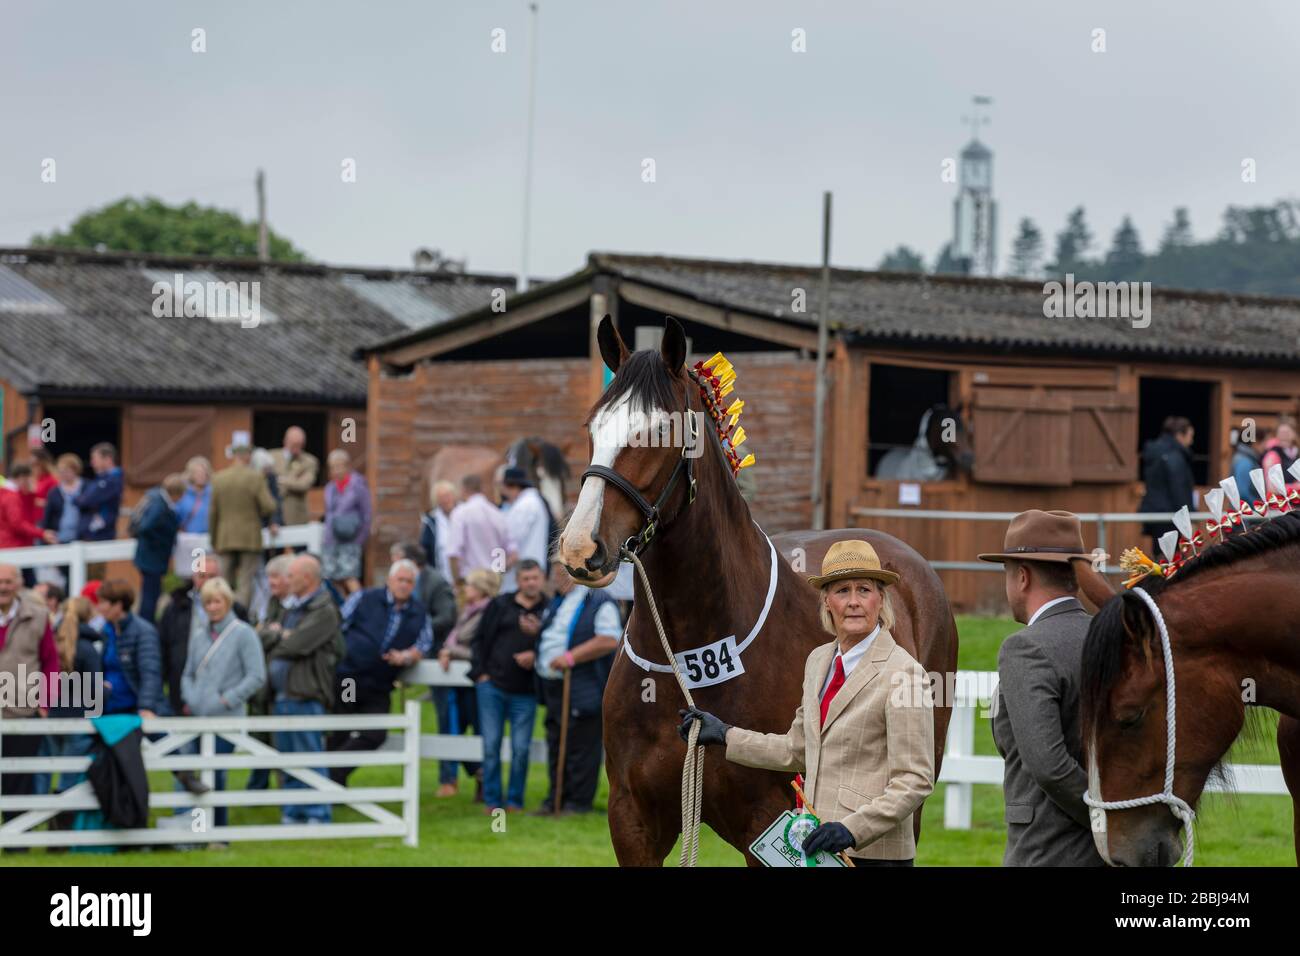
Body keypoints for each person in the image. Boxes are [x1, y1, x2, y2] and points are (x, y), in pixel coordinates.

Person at [680, 540, 935, 866]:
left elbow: (915, 779)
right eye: (842, 591)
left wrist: (852, 829)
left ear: (881, 599)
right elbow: (796, 749)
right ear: (827, 601)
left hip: (873, 855)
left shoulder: (905, 672)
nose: (854, 602)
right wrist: (725, 734)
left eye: (864, 590)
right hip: (818, 850)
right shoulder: (818, 662)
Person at [977, 509, 1105, 867]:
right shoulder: (1109, 637)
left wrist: (1105, 819)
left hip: (1047, 851)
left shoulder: (1026, 648)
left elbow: (1048, 765)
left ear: (1021, 577)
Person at [328, 559, 431, 785]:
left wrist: (406, 656)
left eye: (409, 581)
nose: (403, 585)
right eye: (400, 580)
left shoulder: (418, 612)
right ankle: (332, 786)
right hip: (350, 678)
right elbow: (338, 624)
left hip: (380, 683)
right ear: (390, 580)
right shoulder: (365, 598)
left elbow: (424, 644)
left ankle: (333, 773)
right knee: (341, 727)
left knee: (375, 733)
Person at [178, 576, 267, 830]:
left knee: (216, 774)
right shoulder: (198, 636)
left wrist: (227, 699)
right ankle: (192, 828)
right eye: (207, 602)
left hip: (226, 717)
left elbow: (256, 675)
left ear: (226, 602)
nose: (212, 607)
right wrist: (191, 697)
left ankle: (218, 831)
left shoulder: (243, 634)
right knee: (190, 772)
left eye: (217, 601)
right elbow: (187, 672)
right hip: (198, 715)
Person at [532, 562, 620, 815]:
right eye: (555, 574)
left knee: (581, 746)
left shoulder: (600, 601)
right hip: (554, 686)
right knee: (556, 741)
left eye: (564, 573)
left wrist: (570, 657)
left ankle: (577, 803)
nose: (559, 578)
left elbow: (609, 639)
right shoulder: (557, 602)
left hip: (584, 685)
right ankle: (555, 798)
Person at [266, 554, 345, 824]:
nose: (287, 580)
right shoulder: (293, 609)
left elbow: (297, 644)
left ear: (307, 578)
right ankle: (293, 812)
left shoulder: (324, 610)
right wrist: (278, 634)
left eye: (291, 576)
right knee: (288, 760)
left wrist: (278, 636)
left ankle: (317, 813)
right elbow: (265, 636)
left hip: (307, 693)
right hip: (283, 694)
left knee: (310, 756)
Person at [469, 558, 547, 813]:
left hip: (525, 692)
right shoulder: (500, 605)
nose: (531, 583)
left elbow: (555, 643)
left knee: (521, 749)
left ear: (542, 579)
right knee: (490, 745)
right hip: (492, 687)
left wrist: (536, 649)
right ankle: (492, 801)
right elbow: (479, 639)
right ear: (518, 581)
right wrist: (481, 674)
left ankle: (514, 801)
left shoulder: (549, 609)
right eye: (526, 579)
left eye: (535, 578)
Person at [0, 562, 59, 824]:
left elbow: (50, 661)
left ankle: (16, 838)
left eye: (8, 581)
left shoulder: (37, 615)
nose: (3, 587)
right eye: (0, 581)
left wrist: (46, 700)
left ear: (19, 584)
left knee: (18, 776)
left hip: (22, 709)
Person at [157, 554, 248, 718]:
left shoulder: (236, 610)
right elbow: (163, 650)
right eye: (202, 576)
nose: (206, 581)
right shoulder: (175, 607)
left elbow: (252, 669)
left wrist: (230, 698)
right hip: (183, 694)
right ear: (193, 577)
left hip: (224, 699)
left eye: (211, 576)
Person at [435, 568, 498, 799]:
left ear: (481, 589)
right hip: (460, 683)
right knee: (456, 730)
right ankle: (479, 774)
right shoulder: (468, 611)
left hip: (476, 682)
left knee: (479, 731)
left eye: (470, 585)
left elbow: (477, 649)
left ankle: (484, 780)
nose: (465, 590)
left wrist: (449, 652)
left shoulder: (487, 612)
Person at [48, 596, 102, 805]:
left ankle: (41, 817)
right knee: (71, 778)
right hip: (78, 719)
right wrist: (106, 691)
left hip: (53, 716)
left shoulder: (54, 644)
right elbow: (93, 692)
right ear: (88, 615)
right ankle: (64, 823)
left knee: (48, 770)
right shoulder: (88, 649)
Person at [209, 442, 278, 607]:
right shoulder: (255, 477)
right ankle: (241, 615)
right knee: (246, 581)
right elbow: (269, 506)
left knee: (223, 580)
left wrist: (214, 539)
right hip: (249, 536)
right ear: (247, 456)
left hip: (225, 536)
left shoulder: (219, 478)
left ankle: (221, 612)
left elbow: (213, 513)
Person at [250, 554, 295, 790]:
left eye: (275, 576)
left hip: (287, 686)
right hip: (263, 683)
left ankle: (286, 791)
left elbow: (297, 640)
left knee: (282, 741)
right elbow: (255, 634)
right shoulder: (271, 603)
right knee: (260, 737)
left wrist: (268, 632)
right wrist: (275, 633)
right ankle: (257, 788)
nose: (271, 582)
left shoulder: (297, 605)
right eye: (269, 577)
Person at [94, 578, 162, 719]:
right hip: (106, 710)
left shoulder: (144, 631)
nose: (98, 608)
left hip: (133, 711)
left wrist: (146, 707)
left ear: (118, 605)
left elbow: (150, 673)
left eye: (102, 602)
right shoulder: (105, 631)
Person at [446, 474, 516, 598]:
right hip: (494, 585)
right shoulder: (498, 514)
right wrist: (497, 572)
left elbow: (453, 553)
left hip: (470, 584)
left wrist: (458, 582)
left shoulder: (460, 513)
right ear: (480, 489)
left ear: (463, 489)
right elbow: (513, 555)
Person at [131, 473, 185, 625]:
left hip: (148, 557)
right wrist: (164, 541)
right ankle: (146, 625)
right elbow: (146, 527)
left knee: (151, 594)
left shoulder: (155, 498)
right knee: (150, 597)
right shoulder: (160, 506)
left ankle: (146, 624)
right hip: (152, 558)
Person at [1137, 416, 1196, 552]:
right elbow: (1179, 488)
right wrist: (1188, 518)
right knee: (1170, 558)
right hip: (1171, 515)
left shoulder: (1156, 452)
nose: (1191, 441)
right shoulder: (1175, 456)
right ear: (1180, 435)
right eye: (1189, 436)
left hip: (1156, 512)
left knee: (1160, 555)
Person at [322, 449, 370, 595]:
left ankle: (359, 609)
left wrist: (359, 539)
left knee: (349, 577)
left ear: (347, 466)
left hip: (350, 539)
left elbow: (366, 514)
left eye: (339, 466)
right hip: (331, 540)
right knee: (332, 580)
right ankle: (341, 612)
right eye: (332, 467)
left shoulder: (358, 486)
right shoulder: (330, 488)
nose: (336, 470)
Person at [499, 467, 551, 592]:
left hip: (522, 572)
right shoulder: (534, 501)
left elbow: (510, 542)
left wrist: (499, 567)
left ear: (510, 486)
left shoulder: (523, 506)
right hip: (533, 567)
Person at [271, 427, 319, 527]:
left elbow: (304, 484)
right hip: (274, 517)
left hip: (297, 517)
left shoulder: (309, 461)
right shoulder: (271, 457)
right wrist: (293, 480)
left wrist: (281, 480)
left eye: (300, 445)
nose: (297, 448)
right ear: (285, 441)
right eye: (294, 444)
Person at [74, 442, 124, 540]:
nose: (92, 462)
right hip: (91, 533)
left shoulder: (113, 479)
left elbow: (87, 500)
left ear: (108, 459)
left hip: (102, 533)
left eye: (95, 458)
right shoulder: (100, 479)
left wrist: (80, 499)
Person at [421, 480, 458, 584]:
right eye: (441, 497)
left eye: (448, 495)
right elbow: (426, 547)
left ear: (454, 496)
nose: (445, 500)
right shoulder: (431, 520)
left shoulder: (464, 515)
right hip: (441, 575)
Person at [175, 456, 213, 535]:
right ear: (190, 474)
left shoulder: (213, 493)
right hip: (187, 538)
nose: (201, 475)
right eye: (197, 473)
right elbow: (175, 516)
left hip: (208, 538)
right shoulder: (182, 493)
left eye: (203, 472)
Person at [1260, 419, 1300, 492]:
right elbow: (1272, 488)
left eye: (1287, 433)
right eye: (1282, 433)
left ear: (1294, 434)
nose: (1284, 437)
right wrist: (1297, 487)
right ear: (1276, 435)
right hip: (1282, 501)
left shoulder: (1296, 453)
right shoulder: (1272, 455)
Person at [1232, 425, 1270, 500]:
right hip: (1247, 511)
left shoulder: (1248, 458)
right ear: (1255, 442)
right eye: (1264, 442)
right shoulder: (1245, 461)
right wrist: (1260, 507)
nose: (1266, 446)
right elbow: (1242, 492)